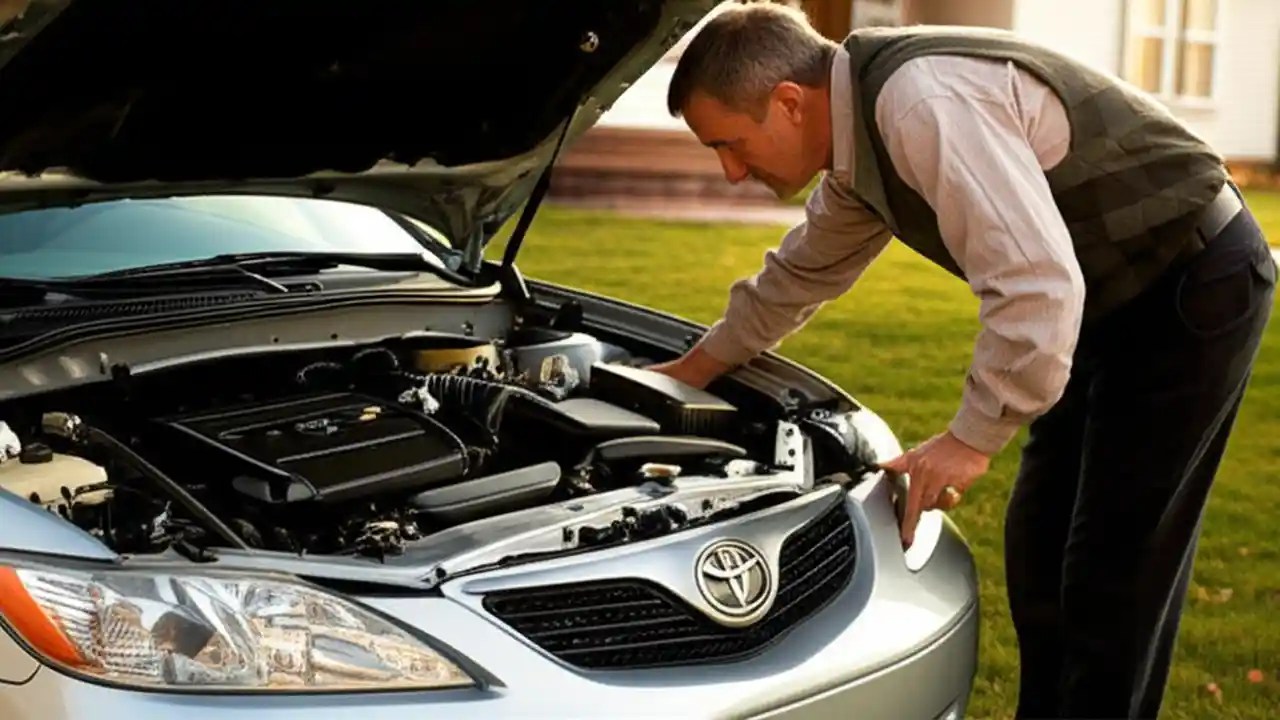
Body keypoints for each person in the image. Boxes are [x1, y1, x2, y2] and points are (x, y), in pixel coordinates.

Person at [648, 3, 1276, 718]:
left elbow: (1035, 284)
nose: (731, 172)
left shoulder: (921, 105)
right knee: (1039, 547)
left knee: (1116, 571)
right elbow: (797, 277)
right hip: (1107, 297)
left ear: (789, 103)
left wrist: (969, 441)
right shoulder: (860, 151)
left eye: (728, 143)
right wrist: (688, 372)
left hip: (1191, 281)